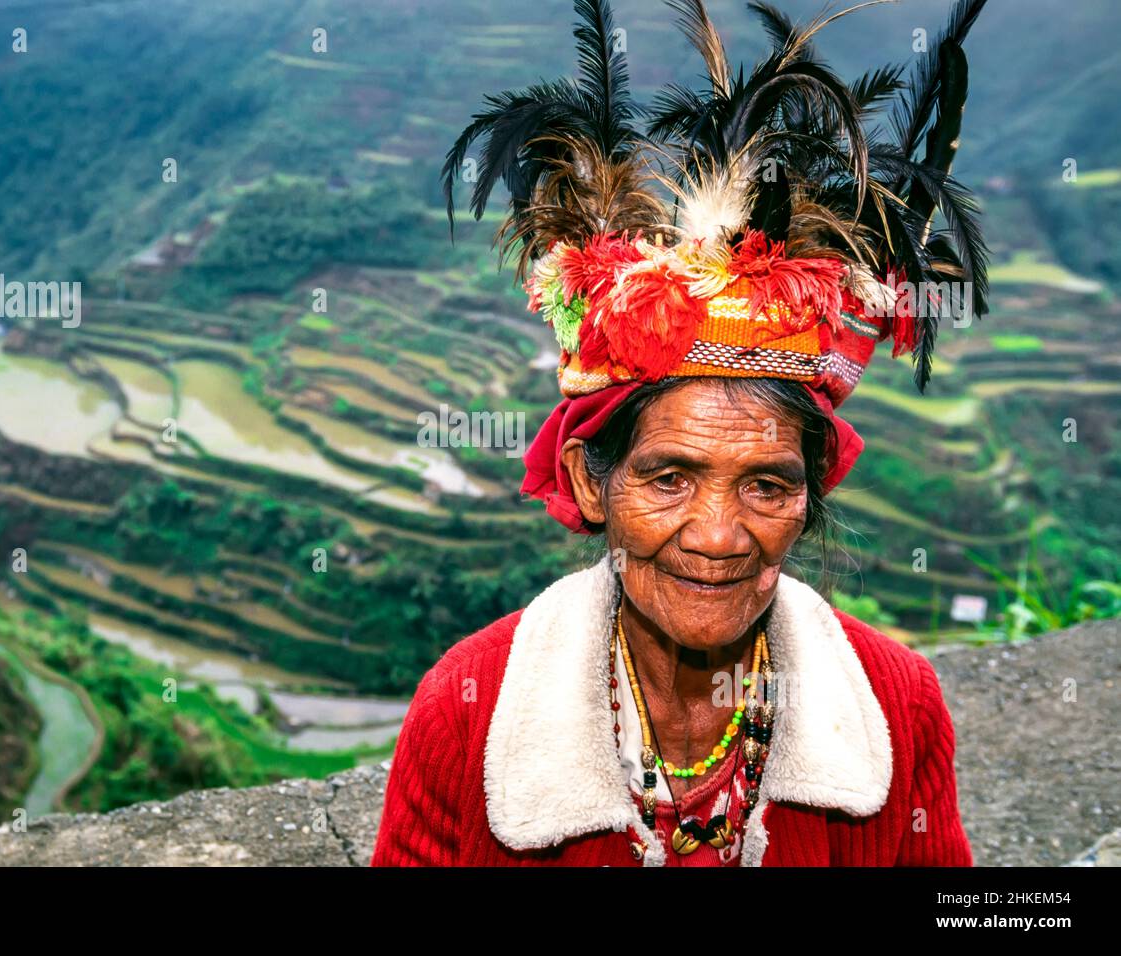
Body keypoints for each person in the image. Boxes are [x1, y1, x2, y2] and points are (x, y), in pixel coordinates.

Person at [371, 0, 987, 867]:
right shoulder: (467, 712)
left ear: (812, 495)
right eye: (669, 478)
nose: (718, 536)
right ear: (590, 481)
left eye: (767, 484)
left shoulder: (899, 705)